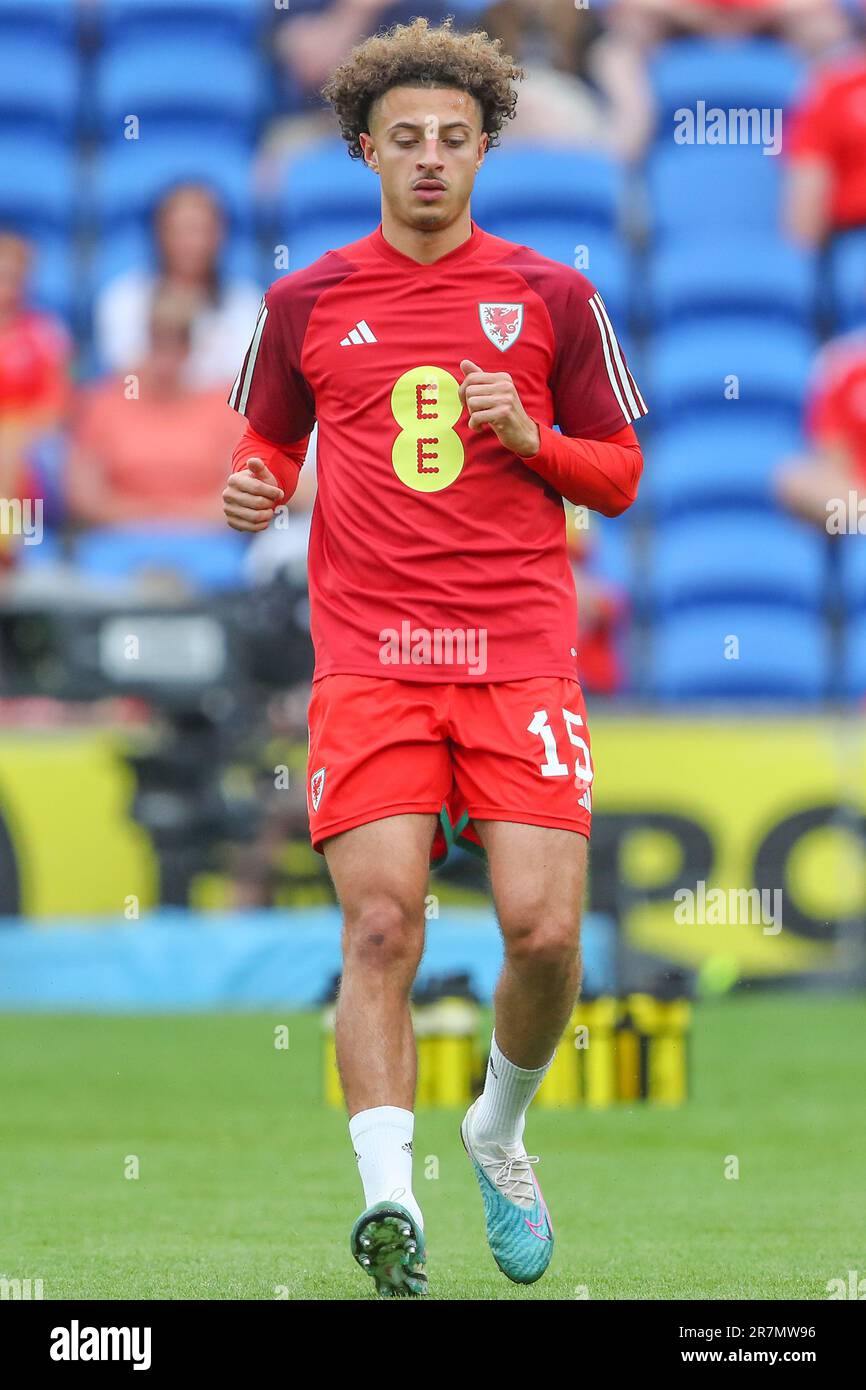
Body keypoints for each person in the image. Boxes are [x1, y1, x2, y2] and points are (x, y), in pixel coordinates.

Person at [222, 15, 646, 1297]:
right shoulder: (302, 302)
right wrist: (250, 491)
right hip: (371, 659)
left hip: (517, 654)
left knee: (542, 932)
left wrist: (530, 435)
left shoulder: (554, 296)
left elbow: (617, 478)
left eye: (451, 140)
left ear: (483, 150)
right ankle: (390, 1201)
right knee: (383, 924)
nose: (427, 160)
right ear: (363, 150)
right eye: (403, 139)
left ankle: (496, 1132)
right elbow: (264, 451)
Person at [70, 287, 242, 528]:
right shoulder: (106, 403)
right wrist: (143, 518)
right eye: (159, 339)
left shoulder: (223, 408)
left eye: (178, 341)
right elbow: (84, 494)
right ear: (146, 340)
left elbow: (238, 491)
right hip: (120, 537)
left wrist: (184, 520)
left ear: (191, 347)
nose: (167, 354)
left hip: (204, 538)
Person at [93, 184, 262, 390]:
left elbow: (243, 387)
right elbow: (128, 378)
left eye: (202, 231)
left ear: (221, 235)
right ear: (159, 233)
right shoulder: (123, 299)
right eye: (182, 230)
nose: (194, 243)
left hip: (221, 418)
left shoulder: (247, 304)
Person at [0, 231, 70, 564]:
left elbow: (57, 407)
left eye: (12, 277)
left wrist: (17, 430)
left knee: (9, 444)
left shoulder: (45, 333)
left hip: (33, 445)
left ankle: (7, 546)